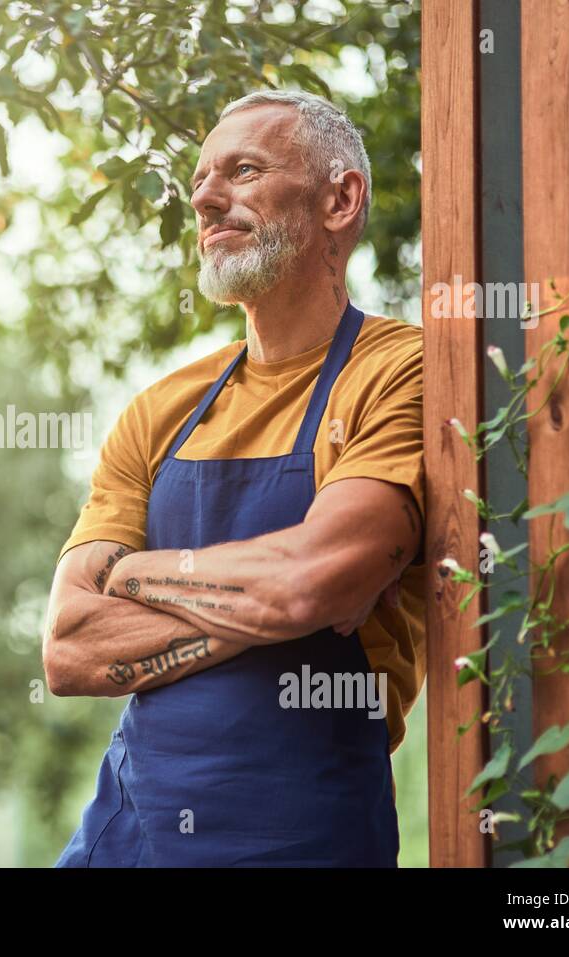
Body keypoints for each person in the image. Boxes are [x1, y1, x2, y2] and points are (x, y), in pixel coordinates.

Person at [44, 88, 426, 867]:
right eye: (200, 186)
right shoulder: (161, 409)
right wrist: (283, 597)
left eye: (243, 171)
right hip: (129, 833)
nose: (209, 199)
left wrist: (132, 574)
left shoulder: (399, 372)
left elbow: (307, 584)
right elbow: (70, 650)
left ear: (339, 198)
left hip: (306, 835)